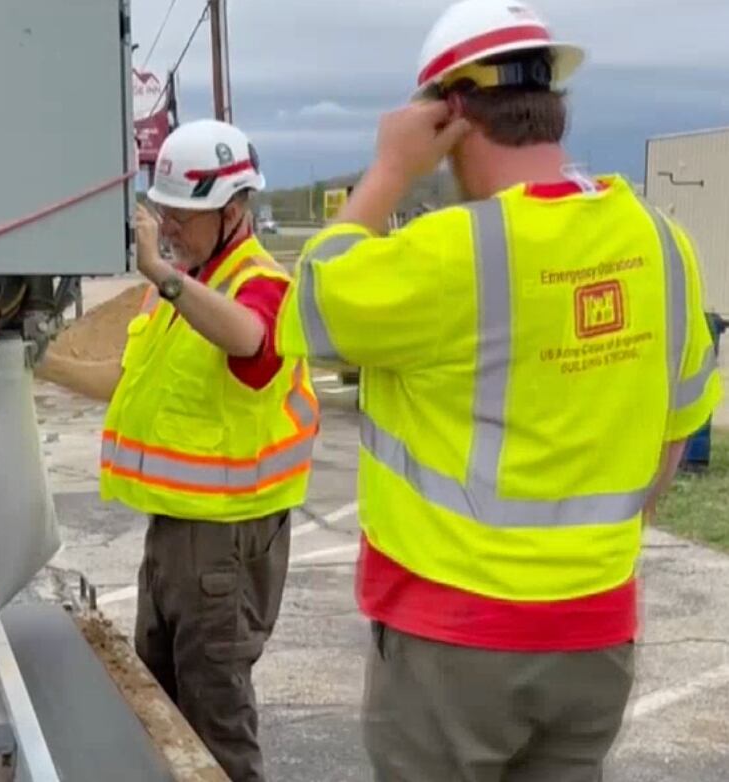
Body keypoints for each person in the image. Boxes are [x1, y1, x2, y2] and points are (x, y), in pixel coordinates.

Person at [272, 1, 723, 780]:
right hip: (598, 636)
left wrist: (387, 170)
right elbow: (674, 430)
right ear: (552, 104)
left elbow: (308, 304)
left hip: (454, 642)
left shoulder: (450, 254)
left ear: (447, 114)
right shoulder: (661, 244)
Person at [99, 118, 320, 781]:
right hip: (177, 532)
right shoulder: (186, 287)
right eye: (163, 211)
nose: (169, 227)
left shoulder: (255, 284)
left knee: (213, 723)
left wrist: (162, 272)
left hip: (225, 542)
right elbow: (136, 382)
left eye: (184, 216)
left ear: (233, 210)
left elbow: (251, 340)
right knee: (160, 706)